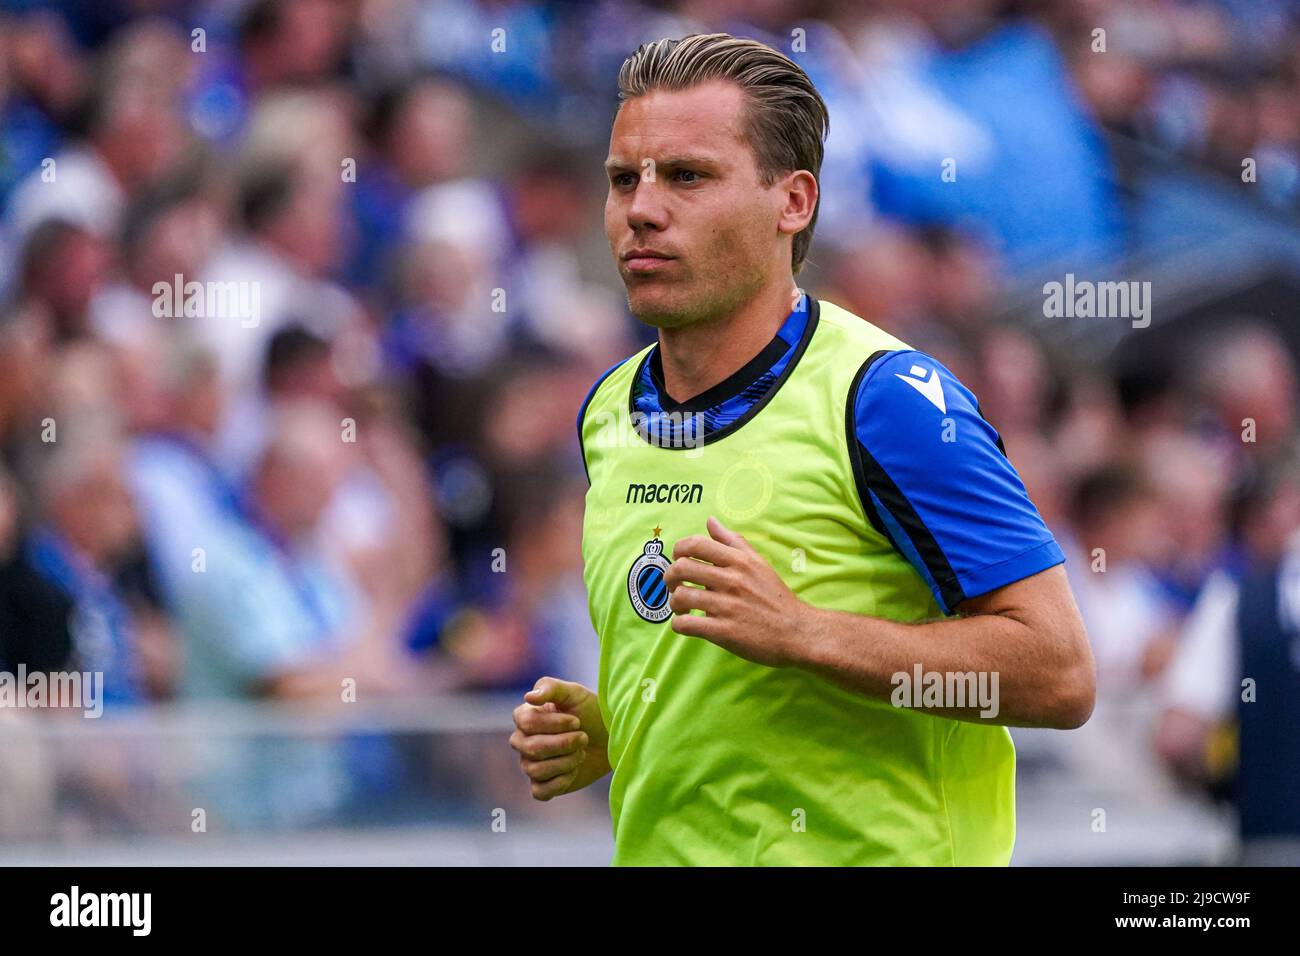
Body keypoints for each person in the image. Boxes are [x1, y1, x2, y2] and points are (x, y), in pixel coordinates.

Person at [510, 33, 1094, 866]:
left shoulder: (885, 400)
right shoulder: (609, 409)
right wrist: (619, 727)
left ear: (792, 202)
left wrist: (808, 632)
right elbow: (737, 680)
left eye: (686, 176)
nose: (641, 207)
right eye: (622, 179)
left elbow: (1060, 675)